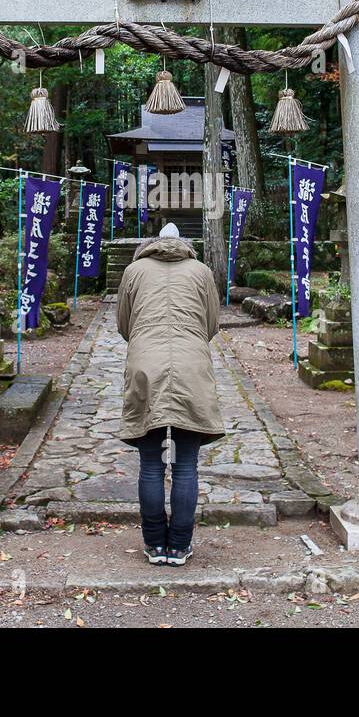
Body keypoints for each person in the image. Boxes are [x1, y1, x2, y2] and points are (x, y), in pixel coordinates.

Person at [116, 222, 223, 566]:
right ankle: (179, 545)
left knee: (149, 464)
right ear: (183, 244)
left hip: (145, 364)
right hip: (191, 364)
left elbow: (123, 323)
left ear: (152, 243)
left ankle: (153, 544)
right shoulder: (201, 271)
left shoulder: (134, 270)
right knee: (186, 464)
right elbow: (211, 323)